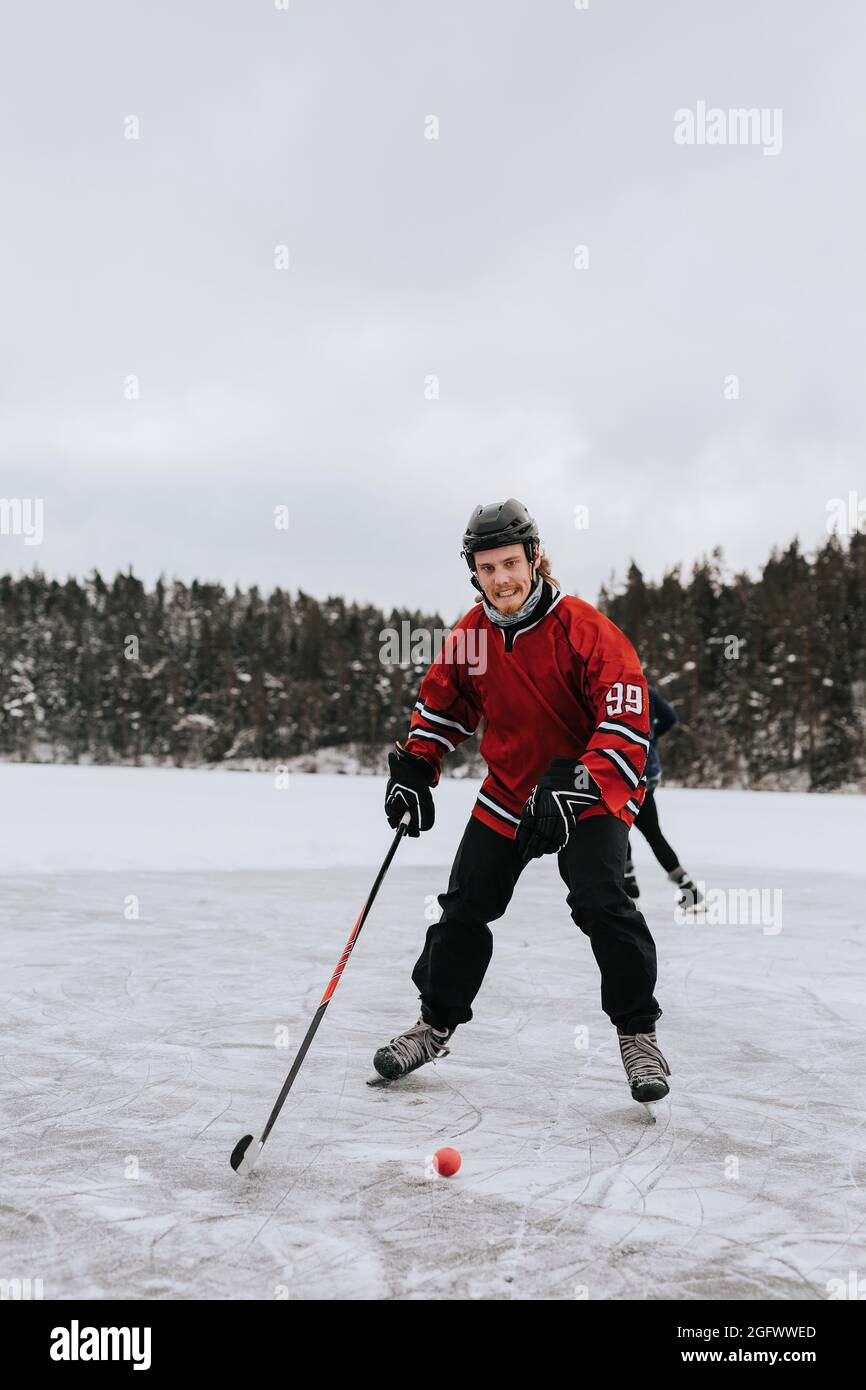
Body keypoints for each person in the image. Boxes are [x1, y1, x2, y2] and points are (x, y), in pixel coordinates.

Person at [374, 498, 670, 1103]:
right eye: (487, 568)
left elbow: (625, 719)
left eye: (511, 562)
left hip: (584, 792)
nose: (501, 579)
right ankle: (434, 1025)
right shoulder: (473, 636)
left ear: (534, 558)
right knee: (463, 907)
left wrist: (578, 785)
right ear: (473, 573)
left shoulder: (583, 628)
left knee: (602, 901)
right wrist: (415, 766)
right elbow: (443, 707)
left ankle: (638, 1034)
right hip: (510, 792)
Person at [623, 686, 704, 910]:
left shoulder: (612, 687)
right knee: (653, 834)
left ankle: (627, 879)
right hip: (648, 771)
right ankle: (687, 886)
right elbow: (669, 717)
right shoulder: (644, 689)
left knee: (617, 825)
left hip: (626, 772)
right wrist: (651, 736)